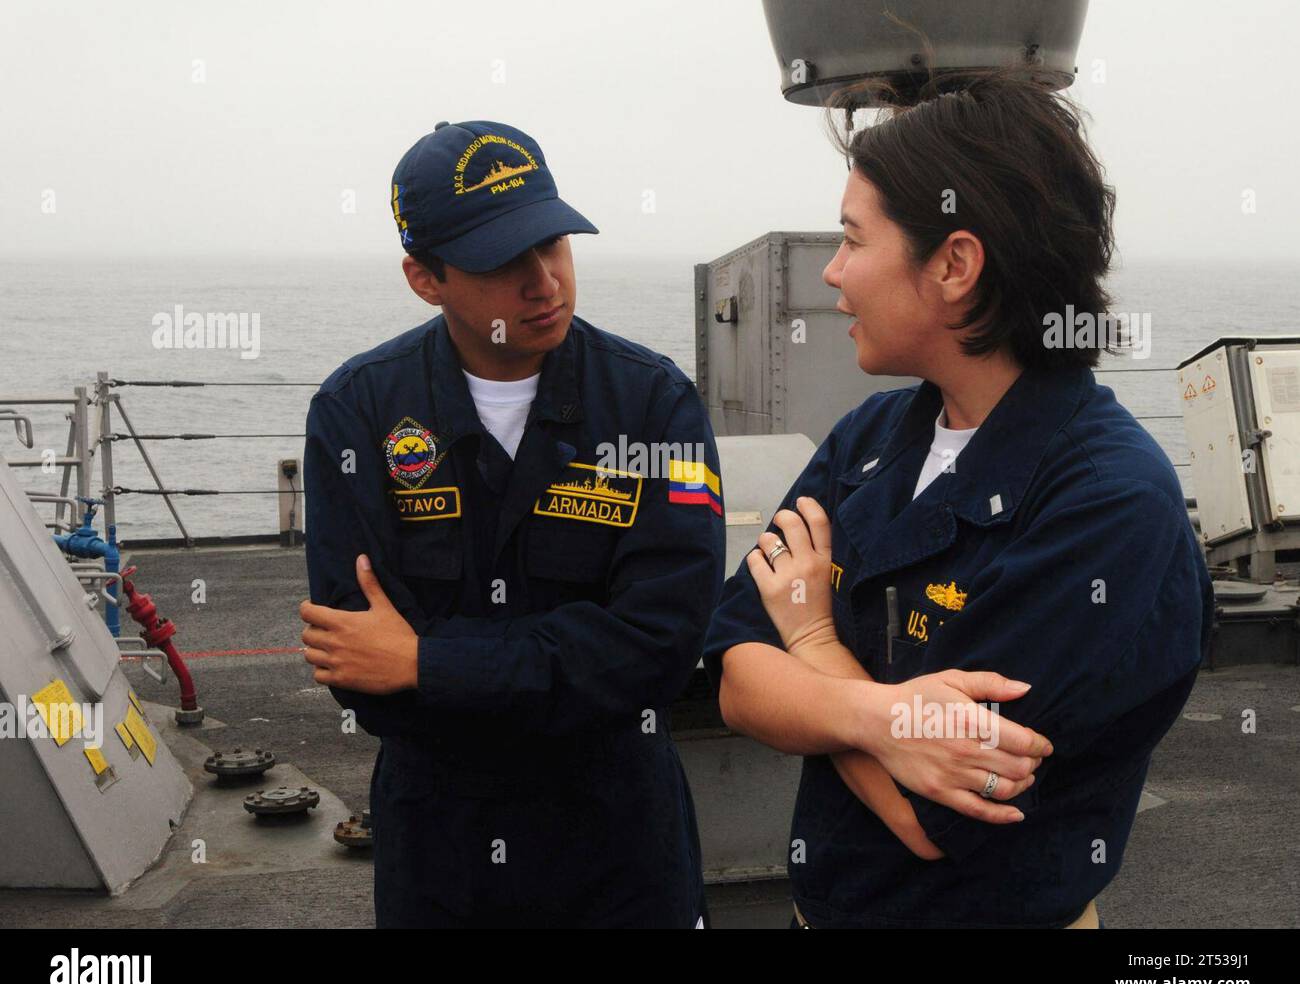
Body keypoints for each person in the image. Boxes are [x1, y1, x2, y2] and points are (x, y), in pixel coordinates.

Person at [702, 69, 1215, 929]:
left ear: (955, 264)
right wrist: (883, 718)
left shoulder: (1107, 503)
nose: (832, 275)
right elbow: (734, 678)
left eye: (853, 240)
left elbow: (941, 817)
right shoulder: (871, 439)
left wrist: (813, 637)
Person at [299, 120, 725, 928]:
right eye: (503, 261)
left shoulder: (653, 404)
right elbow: (359, 672)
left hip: (621, 860)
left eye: (554, 244)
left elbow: (662, 646)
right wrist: (562, 668)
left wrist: (429, 661)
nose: (546, 282)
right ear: (425, 278)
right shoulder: (358, 413)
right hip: (442, 863)